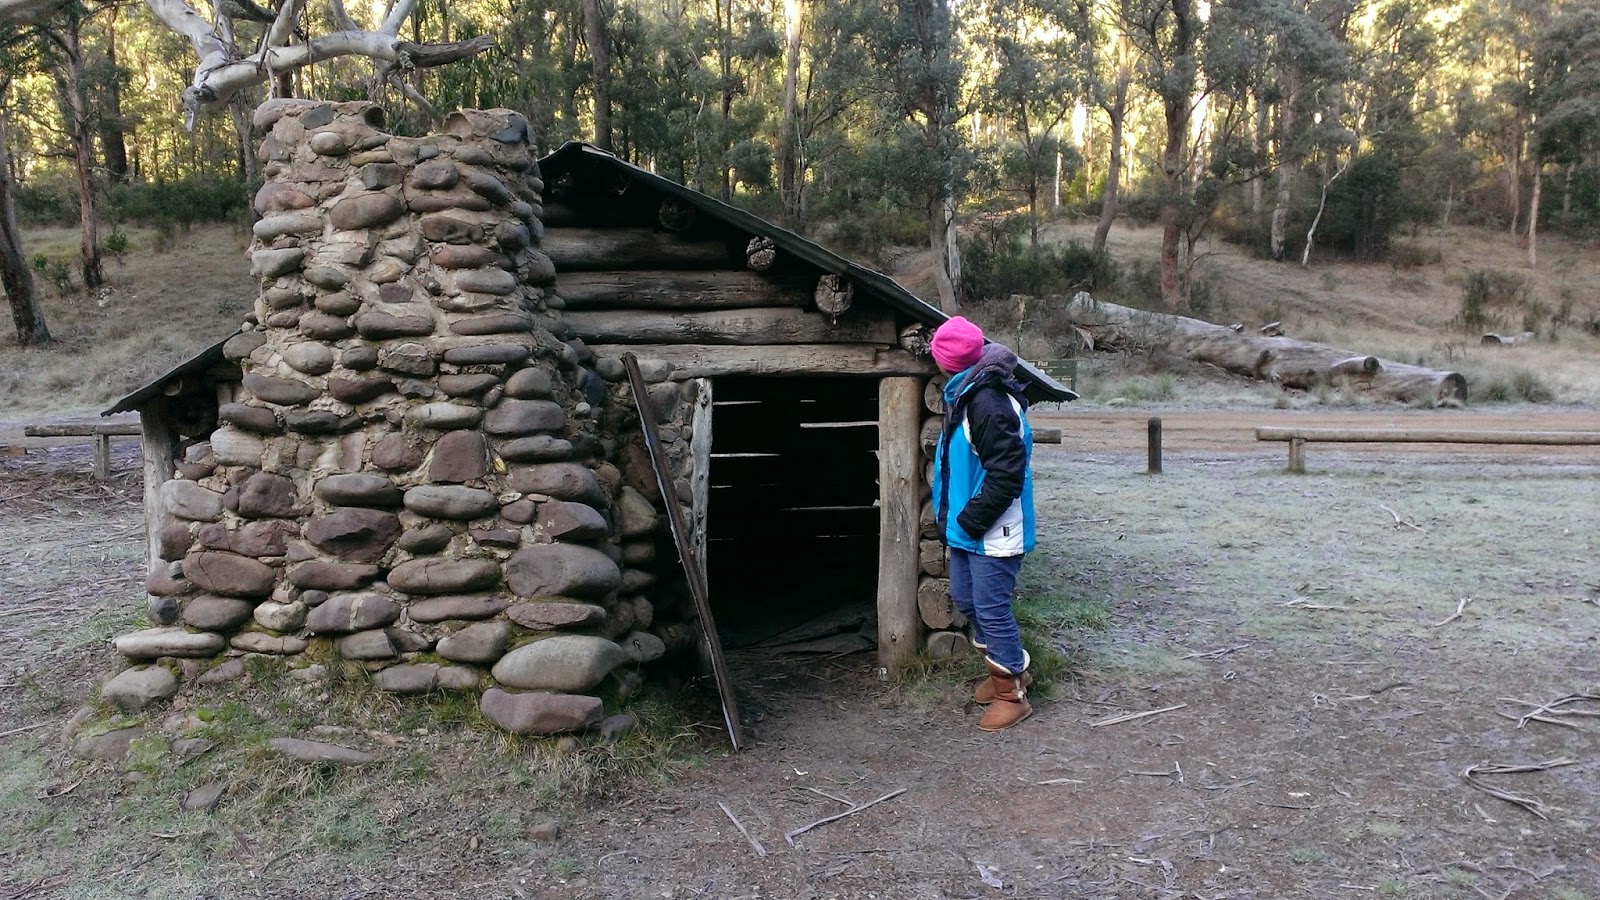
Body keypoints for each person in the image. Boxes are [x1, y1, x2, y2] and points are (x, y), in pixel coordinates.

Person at [929, 315, 1036, 732]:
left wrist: (970, 520)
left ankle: (1012, 694)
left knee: (990, 608)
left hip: (993, 527)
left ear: (945, 362)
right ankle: (1011, 671)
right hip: (971, 527)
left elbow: (1007, 473)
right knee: (967, 599)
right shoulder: (968, 393)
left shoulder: (987, 403)